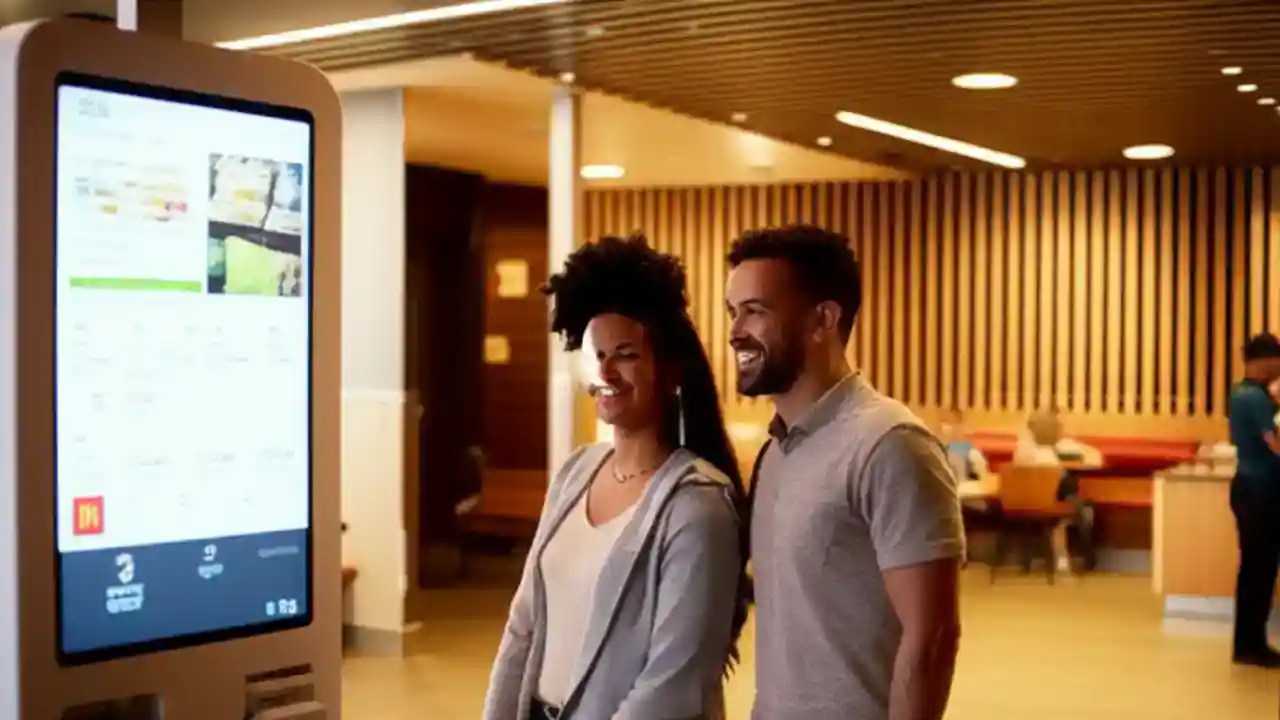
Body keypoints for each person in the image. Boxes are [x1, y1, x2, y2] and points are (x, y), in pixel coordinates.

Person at [484, 235, 748, 720]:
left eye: (625, 354)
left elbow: (675, 683)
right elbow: (523, 628)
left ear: (670, 371)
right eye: (596, 354)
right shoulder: (575, 472)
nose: (606, 370)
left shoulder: (697, 505)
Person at [725, 225, 964, 720]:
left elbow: (933, 637)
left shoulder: (890, 444)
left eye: (755, 311)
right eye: (732, 312)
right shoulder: (776, 451)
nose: (734, 331)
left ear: (823, 320)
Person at [1226, 333, 1280, 668]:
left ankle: (1251, 642)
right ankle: (1250, 646)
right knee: (1258, 570)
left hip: (1253, 487)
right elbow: (1273, 442)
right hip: (1259, 490)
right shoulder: (1254, 396)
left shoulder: (1243, 392)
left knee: (1258, 569)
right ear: (1264, 361)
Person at [1010, 407, 1098, 572]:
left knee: (1070, 500)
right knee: (1082, 507)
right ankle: (1086, 560)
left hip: (1021, 504)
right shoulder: (1048, 456)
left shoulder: (1020, 452)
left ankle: (1060, 556)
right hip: (1050, 505)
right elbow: (1094, 457)